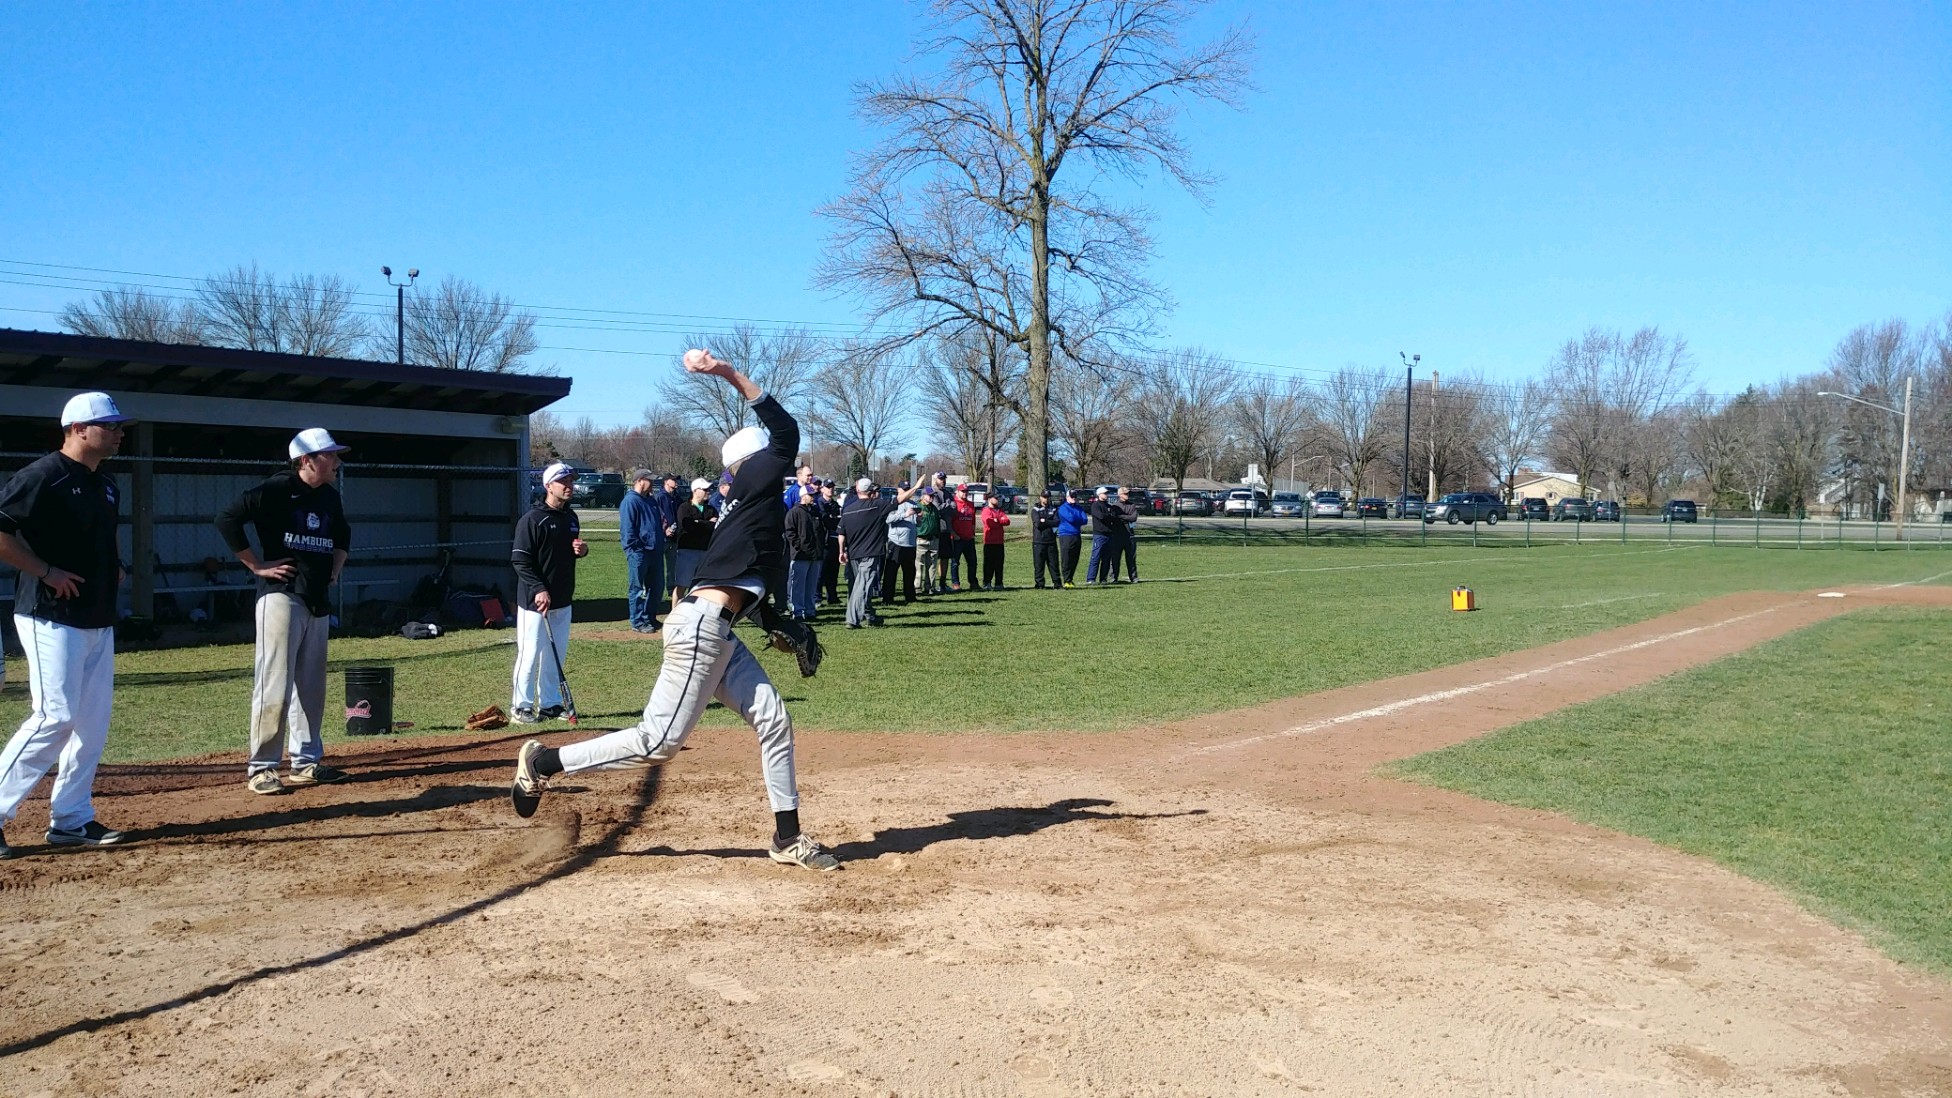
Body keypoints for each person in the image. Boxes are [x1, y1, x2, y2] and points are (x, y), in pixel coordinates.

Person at [512, 350, 839, 872]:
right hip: (701, 632)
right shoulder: (759, 479)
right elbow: (785, 429)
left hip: (718, 630)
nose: (789, 466)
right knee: (657, 742)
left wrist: (782, 624)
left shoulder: (751, 510)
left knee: (774, 720)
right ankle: (545, 762)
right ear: (756, 462)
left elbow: (736, 585)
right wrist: (728, 373)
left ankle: (787, 838)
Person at [0, 392, 133, 855]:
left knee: (91, 725)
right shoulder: (43, 476)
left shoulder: (107, 483)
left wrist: (114, 564)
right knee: (54, 717)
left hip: (97, 616)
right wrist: (45, 570)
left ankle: (72, 820)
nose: (119, 432)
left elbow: (106, 534)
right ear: (78, 429)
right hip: (49, 616)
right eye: (110, 425)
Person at [214, 426, 355, 796]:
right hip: (281, 596)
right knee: (274, 682)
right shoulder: (275, 489)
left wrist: (336, 566)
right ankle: (261, 767)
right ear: (307, 460)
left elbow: (343, 535)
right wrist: (256, 566)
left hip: (316, 600)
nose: (337, 461)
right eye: (330, 455)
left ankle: (306, 762)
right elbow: (226, 519)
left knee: (311, 687)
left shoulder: (329, 496)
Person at [509, 462, 588, 723]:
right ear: (548, 486)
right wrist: (539, 588)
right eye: (563, 482)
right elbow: (520, 560)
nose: (569, 486)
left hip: (563, 598)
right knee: (529, 653)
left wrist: (580, 551)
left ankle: (551, 704)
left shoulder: (571, 518)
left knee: (556, 654)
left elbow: (565, 554)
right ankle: (521, 707)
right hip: (535, 602)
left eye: (571, 481)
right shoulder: (532, 520)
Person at [838, 477, 920, 628]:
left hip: (854, 553)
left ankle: (870, 616)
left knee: (861, 585)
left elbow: (841, 532)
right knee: (862, 586)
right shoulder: (876, 506)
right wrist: (915, 488)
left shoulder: (848, 508)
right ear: (870, 491)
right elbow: (900, 499)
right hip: (870, 553)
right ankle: (852, 620)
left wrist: (841, 551)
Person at [620, 469, 665, 634]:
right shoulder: (631, 501)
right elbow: (628, 529)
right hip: (639, 552)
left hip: (655, 550)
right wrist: (634, 548)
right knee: (637, 588)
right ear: (639, 481)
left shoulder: (651, 500)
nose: (652, 484)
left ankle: (650, 617)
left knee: (657, 586)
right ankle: (637, 621)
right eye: (649, 480)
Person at [670, 477, 717, 607]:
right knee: (682, 585)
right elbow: (688, 526)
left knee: (701, 586)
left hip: (705, 551)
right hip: (687, 551)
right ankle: (675, 613)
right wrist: (707, 523)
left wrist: (699, 523)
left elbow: (716, 527)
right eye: (705, 489)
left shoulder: (711, 509)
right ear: (696, 491)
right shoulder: (684, 508)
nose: (709, 492)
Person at [784, 485, 825, 621]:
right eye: (811, 495)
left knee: (811, 586)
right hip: (800, 555)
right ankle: (798, 612)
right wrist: (799, 547)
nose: (813, 498)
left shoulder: (815, 512)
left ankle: (810, 610)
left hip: (815, 555)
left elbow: (820, 532)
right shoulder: (794, 512)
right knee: (798, 586)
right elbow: (790, 533)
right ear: (803, 496)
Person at [881, 484, 918, 605]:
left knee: (910, 571)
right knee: (891, 571)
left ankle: (910, 596)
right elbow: (888, 519)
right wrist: (904, 514)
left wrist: (919, 519)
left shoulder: (913, 504)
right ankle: (887, 598)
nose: (907, 492)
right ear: (898, 490)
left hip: (910, 543)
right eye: (904, 490)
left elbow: (915, 522)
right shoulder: (893, 504)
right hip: (896, 542)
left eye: (908, 490)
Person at [1087, 487, 1126, 584]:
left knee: (1106, 558)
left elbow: (1114, 517)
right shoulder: (1095, 506)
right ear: (1099, 494)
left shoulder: (1109, 506)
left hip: (1109, 535)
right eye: (1104, 493)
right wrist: (1108, 516)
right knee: (1096, 557)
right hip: (1099, 535)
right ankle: (1091, 578)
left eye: (1107, 493)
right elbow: (1101, 517)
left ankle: (1103, 578)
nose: (1106, 495)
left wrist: (1108, 516)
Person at [945, 484, 977, 592]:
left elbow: (972, 521)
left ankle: (973, 582)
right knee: (955, 562)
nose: (965, 493)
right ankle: (955, 583)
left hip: (969, 538)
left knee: (972, 561)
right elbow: (949, 521)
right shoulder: (954, 504)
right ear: (957, 492)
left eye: (966, 491)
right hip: (957, 538)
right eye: (962, 491)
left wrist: (973, 533)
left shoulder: (970, 505)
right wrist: (953, 534)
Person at [1056, 489, 1090, 588]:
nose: (1074, 498)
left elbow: (1085, 520)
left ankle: (1070, 579)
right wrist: (1077, 518)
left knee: (1075, 558)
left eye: (1075, 496)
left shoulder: (1079, 507)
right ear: (1067, 497)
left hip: (1076, 535)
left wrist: (1076, 518)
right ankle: (1066, 580)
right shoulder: (1063, 508)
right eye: (1072, 496)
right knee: (1066, 558)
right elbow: (1071, 518)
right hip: (1066, 535)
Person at [1030, 489, 1063, 589]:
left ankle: (1057, 584)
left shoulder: (1053, 509)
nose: (1046, 499)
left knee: (1054, 564)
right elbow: (1038, 524)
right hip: (1039, 541)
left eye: (1048, 497)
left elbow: (1057, 522)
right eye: (1044, 497)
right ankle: (1039, 584)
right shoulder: (1035, 509)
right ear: (1040, 497)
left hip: (1051, 541)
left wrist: (1045, 521)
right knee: (1039, 565)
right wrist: (1049, 521)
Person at [817, 480, 842, 606]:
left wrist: (834, 520)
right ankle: (817, 597)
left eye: (832, 487)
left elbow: (839, 522)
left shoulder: (835, 504)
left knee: (833, 570)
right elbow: (826, 521)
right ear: (822, 489)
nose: (830, 489)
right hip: (824, 542)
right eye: (828, 487)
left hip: (835, 541)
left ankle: (832, 596)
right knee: (821, 571)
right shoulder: (820, 503)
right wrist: (834, 520)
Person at [913, 489, 942, 596]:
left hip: (933, 540)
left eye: (932, 496)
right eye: (929, 495)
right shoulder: (917, 507)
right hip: (921, 540)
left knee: (932, 566)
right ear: (923, 496)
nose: (931, 497)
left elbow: (937, 524)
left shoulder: (934, 508)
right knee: (919, 565)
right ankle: (917, 587)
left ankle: (930, 587)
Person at [979, 494, 1012, 589]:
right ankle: (987, 583)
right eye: (996, 498)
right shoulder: (986, 511)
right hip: (989, 542)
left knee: (999, 564)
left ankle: (999, 583)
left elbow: (1007, 521)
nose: (998, 500)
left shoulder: (1000, 510)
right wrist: (999, 520)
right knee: (989, 564)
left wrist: (997, 520)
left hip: (999, 542)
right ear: (990, 499)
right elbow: (990, 522)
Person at [1116, 486, 1143, 584]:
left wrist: (1122, 517)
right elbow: (1116, 517)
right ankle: (1113, 577)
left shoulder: (1132, 505)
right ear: (1119, 495)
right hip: (1118, 536)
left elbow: (1133, 518)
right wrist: (1127, 517)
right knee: (1115, 558)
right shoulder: (1116, 506)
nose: (1127, 495)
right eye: (1125, 493)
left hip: (1130, 535)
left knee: (1131, 558)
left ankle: (1133, 577)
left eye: (1127, 493)